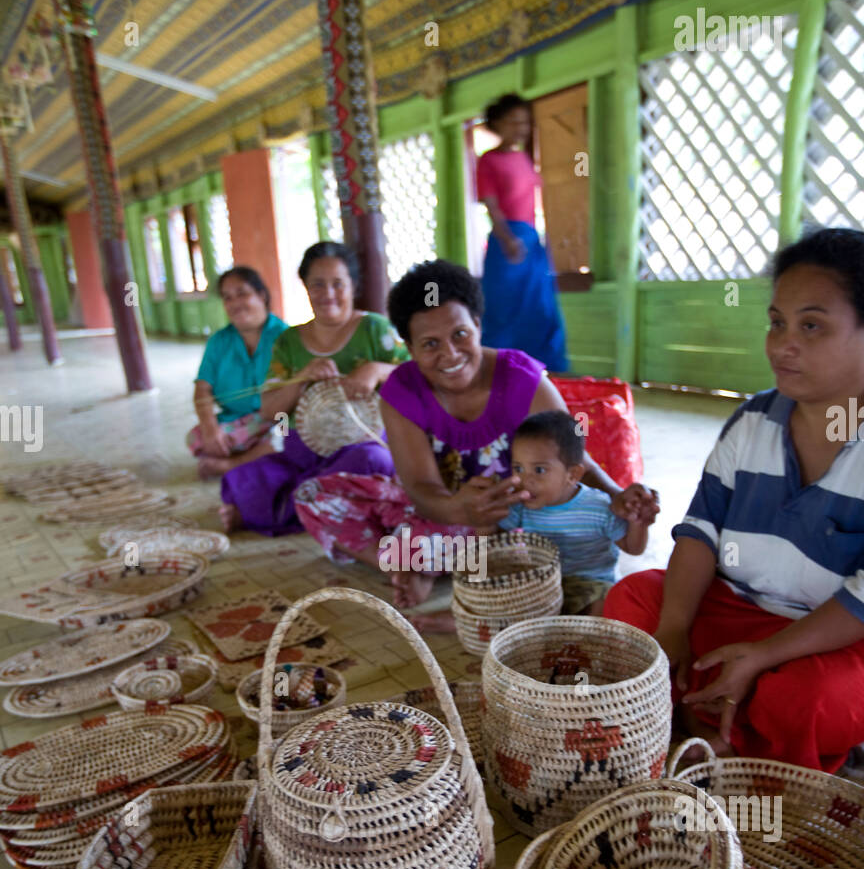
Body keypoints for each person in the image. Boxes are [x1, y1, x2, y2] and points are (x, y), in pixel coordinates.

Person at [604, 226, 864, 773]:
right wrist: (674, 627)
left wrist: (767, 655)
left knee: (806, 700)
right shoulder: (752, 420)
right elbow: (701, 531)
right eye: (776, 322)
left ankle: (719, 729)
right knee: (634, 601)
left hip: (829, 639)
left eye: (811, 326)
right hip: (736, 609)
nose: (781, 343)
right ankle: (722, 727)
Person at [295, 260, 659, 614]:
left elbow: (576, 463)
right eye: (430, 344)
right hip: (442, 515)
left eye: (460, 335)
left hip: (512, 524)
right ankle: (406, 565)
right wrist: (458, 509)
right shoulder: (402, 391)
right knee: (312, 496)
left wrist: (622, 499)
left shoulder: (523, 380)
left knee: (516, 539)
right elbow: (422, 489)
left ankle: (425, 564)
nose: (450, 354)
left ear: (478, 325)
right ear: (409, 347)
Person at [218, 241, 406, 535]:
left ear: (353, 286)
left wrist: (376, 370)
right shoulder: (288, 342)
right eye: (317, 284)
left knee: (374, 461)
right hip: (302, 452)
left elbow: (417, 378)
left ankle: (281, 509)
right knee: (252, 474)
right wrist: (304, 377)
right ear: (305, 286)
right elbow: (270, 411)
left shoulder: (375, 330)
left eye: (337, 284)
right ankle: (318, 502)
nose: (328, 294)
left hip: (361, 445)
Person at [498, 410, 650, 614]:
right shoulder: (519, 506)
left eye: (539, 470)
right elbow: (494, 546)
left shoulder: (599, 507)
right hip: (542, 585)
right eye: (518, 468)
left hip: (592, 584)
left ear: (573, 474)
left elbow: (633, 548)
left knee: (606, 603)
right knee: (503, 593)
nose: (527, 480)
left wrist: (638, 523)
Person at [476, 93, 568, 373]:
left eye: (525, 123)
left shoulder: (524, 159)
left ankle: (543, 372)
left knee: (542, 307)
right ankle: (498, 370)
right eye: (513, 122)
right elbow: (491, 206)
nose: (520, 129)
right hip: (507, 244)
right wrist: (507, 240)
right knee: (503, 310)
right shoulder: (488, 161)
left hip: (531, 240)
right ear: (497, 124)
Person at [187, 267, 287, 479]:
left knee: (287, 436)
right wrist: (210, 428)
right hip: (239, 422)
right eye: (227, 297)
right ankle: (255, 457)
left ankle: (230, 465)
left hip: (279, 418)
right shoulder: (219, 342)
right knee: (196, 438)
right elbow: (202, 388)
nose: (235, 303)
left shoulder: (286, 337)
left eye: (242, 293)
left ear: (261, 295)